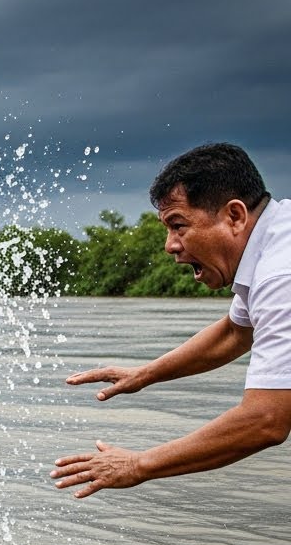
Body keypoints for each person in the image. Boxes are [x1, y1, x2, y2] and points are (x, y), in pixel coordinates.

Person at [55, 143, 291, 498]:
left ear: (235, 216)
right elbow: (235, 333)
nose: (170, 245)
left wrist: (138, 465)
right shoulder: (271, 246)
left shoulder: (280, 276)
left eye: (178, 226)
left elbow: (266, 421)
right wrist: (144, 375)